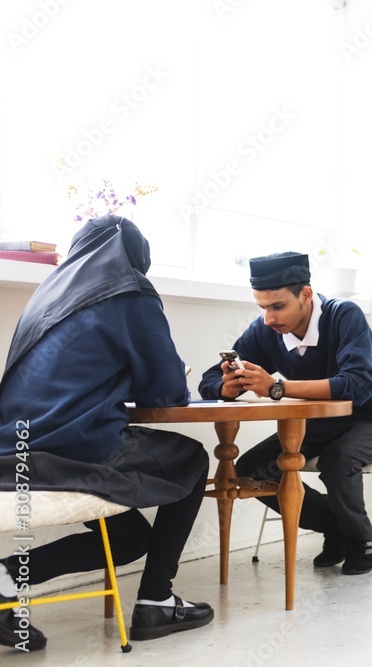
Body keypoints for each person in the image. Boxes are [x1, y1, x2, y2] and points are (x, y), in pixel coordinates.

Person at [0, 215, 213, 650]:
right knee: (192, 459)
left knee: (130, 537)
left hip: (16, 452)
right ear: (134, 258)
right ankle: (156, 600)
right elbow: (168, 391)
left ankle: (3, 579)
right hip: (76, 449)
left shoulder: (48, 293)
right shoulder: (130, 291)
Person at [198, 252, 372, 575]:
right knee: (252, 471)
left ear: (306, 295)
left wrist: (277, 388)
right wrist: (225, 388)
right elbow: (209, 379)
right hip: (319, 426)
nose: (268, 318)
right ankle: (335, 525)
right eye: (261, 307)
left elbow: (358, 384)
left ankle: (358, 539)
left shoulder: (344, 316)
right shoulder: (266, 330)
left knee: (338, 460)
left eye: (277, 306)